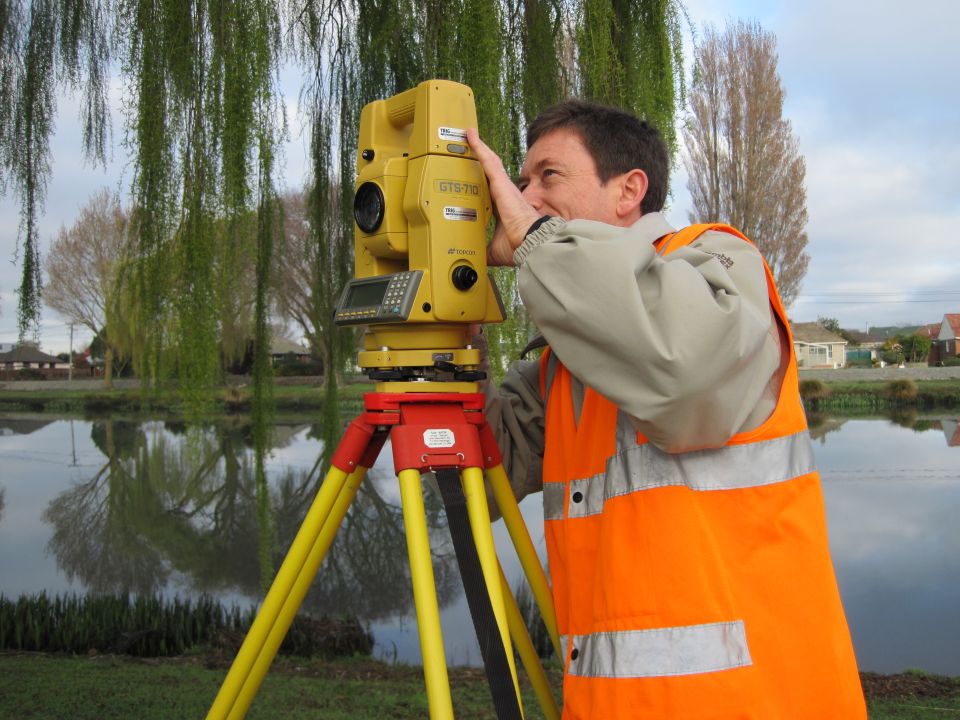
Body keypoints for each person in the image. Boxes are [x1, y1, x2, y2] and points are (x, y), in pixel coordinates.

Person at [466, 102, 866, 719]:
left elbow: (682, 371)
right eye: (522, 182)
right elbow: (476, 472)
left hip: (749, 703)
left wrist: (533, 240)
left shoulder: (717, 268)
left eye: (549, 176)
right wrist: (450, 326)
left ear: (630, 190)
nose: (523, 196)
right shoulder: (565, 365)